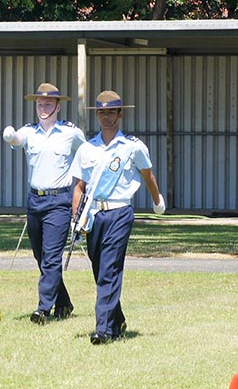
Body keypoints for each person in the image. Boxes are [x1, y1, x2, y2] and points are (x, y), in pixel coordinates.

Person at [70, 90, 166, 344]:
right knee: (99, 268)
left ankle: (104, 329)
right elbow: (79, 187)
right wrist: (75, 221)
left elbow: (148, 176)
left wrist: (158, 201)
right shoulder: (87, 148)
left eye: (111, 112)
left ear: (120, 114)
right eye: (102, 112)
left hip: (120, 212)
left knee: (110, 269)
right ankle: (117, 319)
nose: (106, 117)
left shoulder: (133, 146)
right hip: (93, 216)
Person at [2, 83, 86, 325]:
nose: (43, 107)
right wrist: (10, 136)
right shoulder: (29, 132)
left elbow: (87, 156)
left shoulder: (71, 133)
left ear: (58, 106)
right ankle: (64, 303)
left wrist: (83, 193)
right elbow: (17, 139)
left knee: (51, 257)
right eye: (40, 103)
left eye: (48, 103)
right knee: (41, 256)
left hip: (59, 201)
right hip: (35, 200)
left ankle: (43, 308)